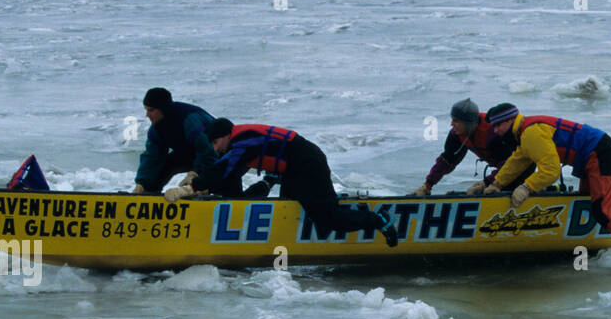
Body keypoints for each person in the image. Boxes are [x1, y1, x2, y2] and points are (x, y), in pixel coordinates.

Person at [483, 103, 611, 282]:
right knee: (585, 201)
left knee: (602, 209)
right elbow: (517, 161)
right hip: (589, 156)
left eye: (498, 125)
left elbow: (550, 171)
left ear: (511, 119)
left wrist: (526, 187)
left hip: (599, 152)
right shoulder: (525, 133)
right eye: (493, 126)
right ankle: (599, 229)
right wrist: (496, 184)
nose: (495, 131)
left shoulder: (531, 133)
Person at [169, 119, 398, 247]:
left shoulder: (243, 140)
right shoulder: (240, 140)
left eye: (217, 143)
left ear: (227, 135)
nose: (216, 148)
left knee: (327, 218)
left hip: (308, 164)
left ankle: (378, 220)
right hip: (293, 169)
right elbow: (227, 175)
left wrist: (190, 188)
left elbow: (225, 169)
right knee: (289, 208)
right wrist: (200, 185)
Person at [410, 98, 525, 196]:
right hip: (504, 170)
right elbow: (447, 161)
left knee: (494, 190)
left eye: (456, 120)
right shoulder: (457, 134)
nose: (451, 124)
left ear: (468, 123)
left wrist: (486, 183)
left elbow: (509, 164)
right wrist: (427, 185)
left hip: (521, 165)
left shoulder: (493, 133)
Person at [130, 88, 219, 194]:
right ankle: (148, 192)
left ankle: (205, 192)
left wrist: (195, 173)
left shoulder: (189, 119)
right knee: (165, 165)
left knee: (205, 178)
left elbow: (207, 150)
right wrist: (141, 182)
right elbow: (151, 157)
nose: (147, 115)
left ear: (163, 109)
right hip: (192, 154)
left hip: (219, 153)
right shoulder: (156, 128)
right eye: (146, 110)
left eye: (151, 110)